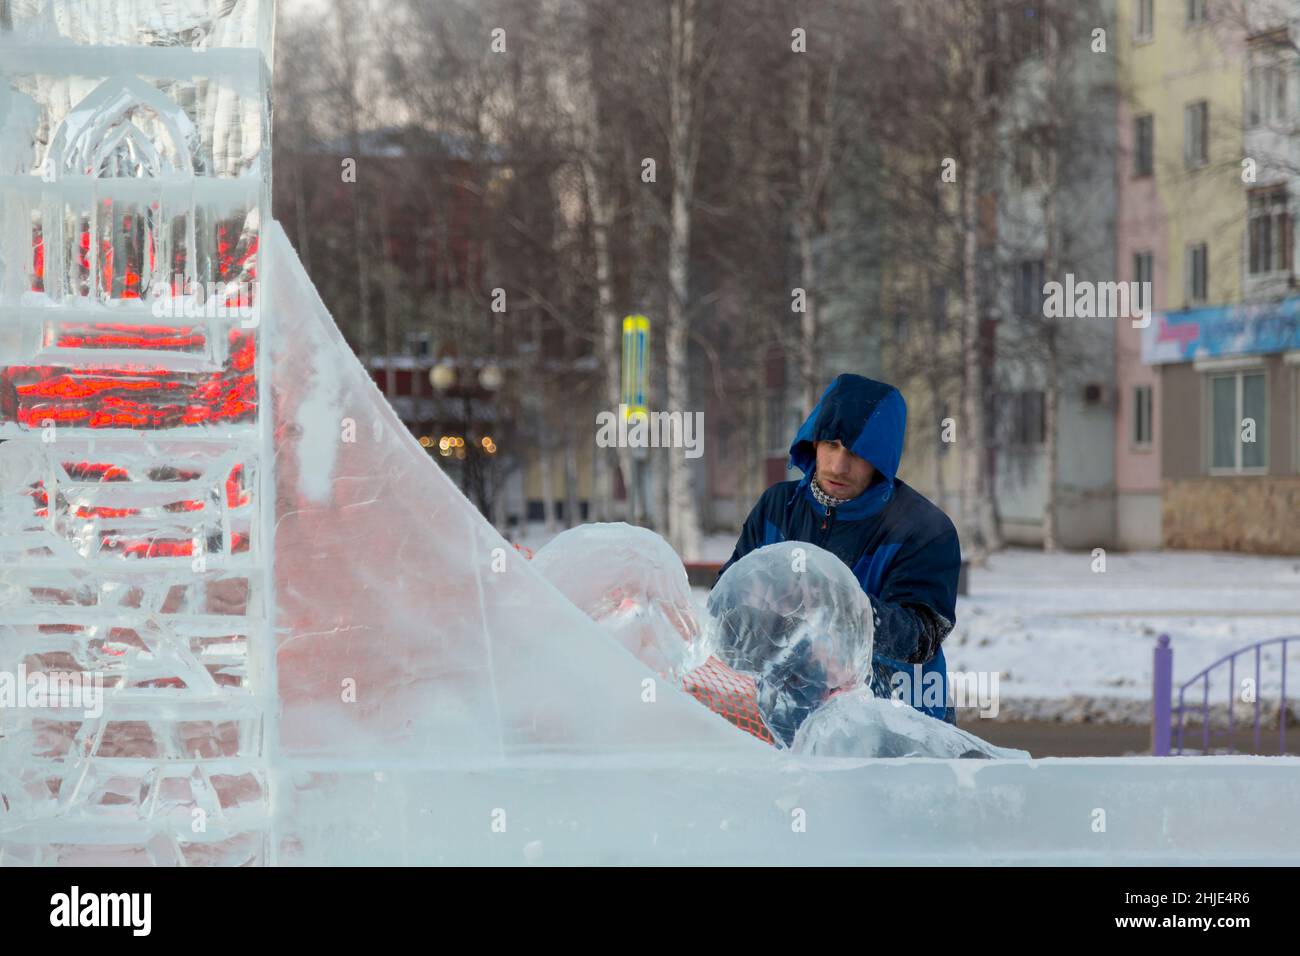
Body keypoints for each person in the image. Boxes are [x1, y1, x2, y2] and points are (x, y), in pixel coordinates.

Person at [718, 373, 962, 724]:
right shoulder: (777, 508)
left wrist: (840, 607)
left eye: (856, 453)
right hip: (787, 722)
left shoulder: (924, 530)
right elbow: (728, 604)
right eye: (830, 444)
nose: (837, 466)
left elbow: (920, 639)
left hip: (898, 730)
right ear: (813, 442)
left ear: (881, 460)